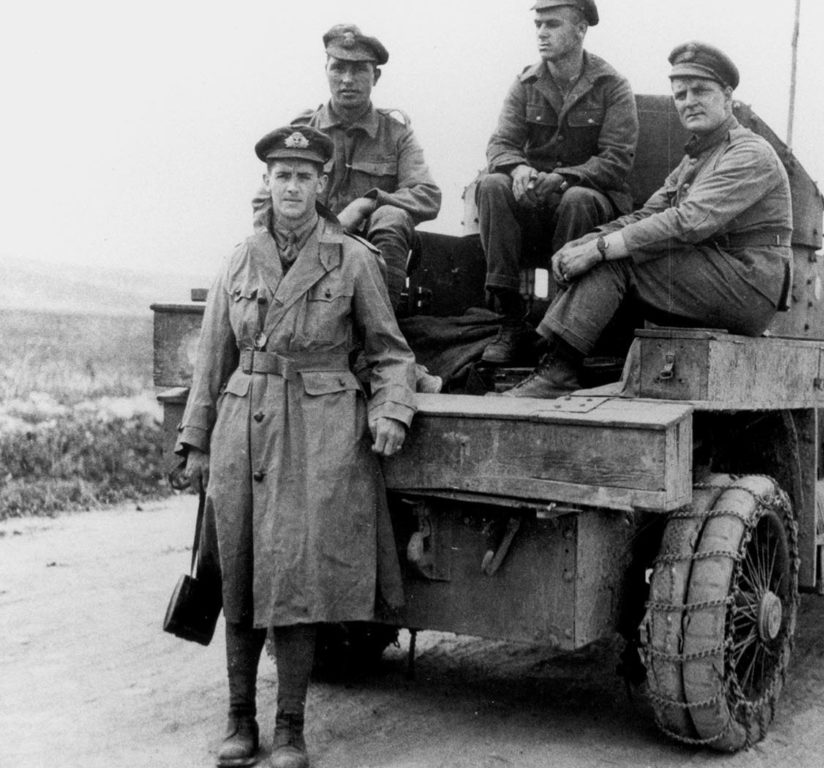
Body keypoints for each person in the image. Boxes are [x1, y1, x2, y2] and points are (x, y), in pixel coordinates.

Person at [181, 125, 418, 768]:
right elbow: (212, 359)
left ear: (321, 185)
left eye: (304, 176)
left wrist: (392, 409)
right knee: (237, 572)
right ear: (268, 183)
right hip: (243, 423)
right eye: (281, 175)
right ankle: (238, 719)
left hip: (319, 433)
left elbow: (389, 351)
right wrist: (195, 441)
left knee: (298, 577)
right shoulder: (238, 258)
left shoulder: (353, 258)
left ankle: (289, 728)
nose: (291, 186)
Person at [504, 41, 792, 398]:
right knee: (612, 249)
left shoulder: (749, 152)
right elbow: (647, 214)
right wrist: (585, 242)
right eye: (681, 94)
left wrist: (600, 248)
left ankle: (559, 372)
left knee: (619, 260)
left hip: (748, 284)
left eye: (700, 91)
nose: (688, 102)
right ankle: (560, 356)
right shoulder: (696, 159)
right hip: (719, 271)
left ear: (727, 95)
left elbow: (687, 221)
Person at [477, 0, 638, 364]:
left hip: (592, 202)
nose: (541, 33)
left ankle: (561, 330)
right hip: (536, 200)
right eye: (538, 24)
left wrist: (563, 178)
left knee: (577, 199)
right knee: (491, 186)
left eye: (552, 24)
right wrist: (517, 169)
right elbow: (500, 144)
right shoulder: (526, 83)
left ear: (580, 29)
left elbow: (616, 160)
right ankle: (510, 322)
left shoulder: (611, 85)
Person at [255, 24, 442, 316]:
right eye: (338, 68)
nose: (347, 79)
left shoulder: (396, 133)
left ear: (375, 76)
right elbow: (265, 199)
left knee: (392, 216)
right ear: (326, 70)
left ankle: (381, 337)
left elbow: (427, 195)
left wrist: (366, 203)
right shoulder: (304, 131)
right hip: (309, 249)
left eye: (358, 70)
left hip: (371, 257)